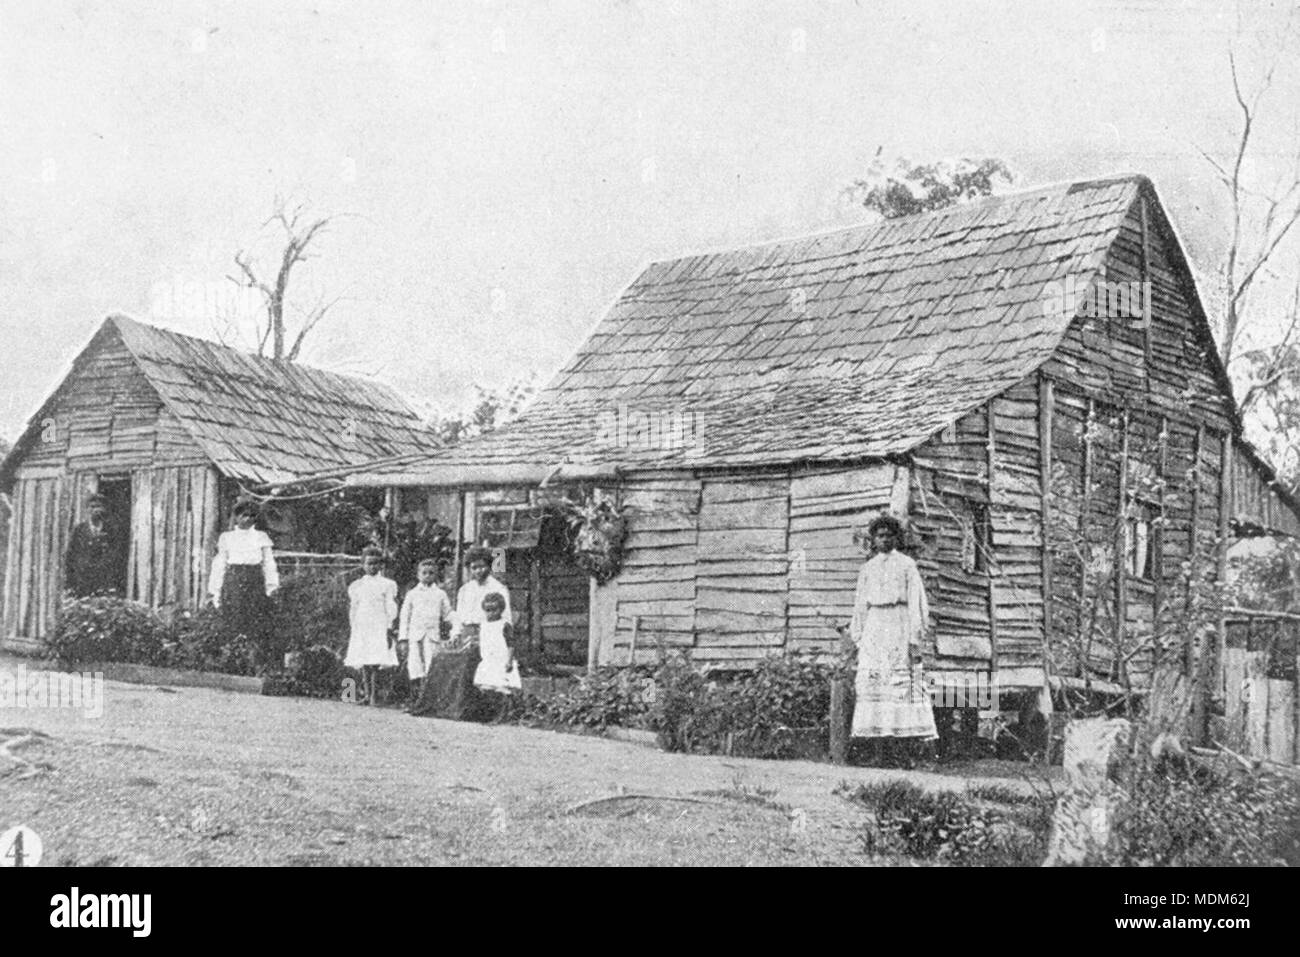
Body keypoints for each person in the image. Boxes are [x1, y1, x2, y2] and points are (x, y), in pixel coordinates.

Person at [847, 514, 938, 767]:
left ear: (896, 538)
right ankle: (878, 750)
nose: (884, 539)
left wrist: (913, 638)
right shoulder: (868, 568)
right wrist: (860, 637)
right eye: (879, 536)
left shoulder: (907, 565)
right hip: (875, 627)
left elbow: (917, 603)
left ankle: (902, 751)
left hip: (898, 623)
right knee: (876, 684)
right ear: (873, 540)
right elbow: (860, 605)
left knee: (901, 685)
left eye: (888, 535)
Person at [208, 501, 281, 673]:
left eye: (252, 516)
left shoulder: (261, 537)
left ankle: (254, 663)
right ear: (237, 517)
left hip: (254, 579)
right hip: (234, 579)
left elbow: (269, 563)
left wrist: (271, 587)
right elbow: (220, 563)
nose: (247, 519)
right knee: (233, 618)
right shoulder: (227, 537)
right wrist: (215, 591)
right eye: (244, 515)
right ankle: (232, 663)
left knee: (255, 618)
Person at [398, 558, 455, 710]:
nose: (428, 576)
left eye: (431, 573)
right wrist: (403, 638)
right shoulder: (412, 594)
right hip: (415, 635)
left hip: (432, 635)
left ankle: (429, 702)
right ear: (418, 575)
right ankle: (415, 700)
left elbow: (448, 613)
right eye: (424, 573)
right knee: (415, 666)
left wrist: (456, 625)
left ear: (436, 575)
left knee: (431, 666)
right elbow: (405, 616)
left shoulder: (440, 594)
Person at [345, 546, 399, 706]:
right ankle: (367, 695)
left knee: (375, 661)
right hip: (362, 625)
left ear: (381, 565)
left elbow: (391, 606)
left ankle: (375, 696)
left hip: (378, 625)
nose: (373, 567)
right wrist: (353, 625)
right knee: (364, 661)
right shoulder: (357, 585)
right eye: (369, 563)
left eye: (376, 563)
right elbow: (354, 607)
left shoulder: (387, 584)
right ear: (363, 564)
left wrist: (389, 626)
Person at [473, 591, 521, 720]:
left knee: (502, 687)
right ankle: (491, 714)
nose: (491, 613)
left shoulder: (504, 625)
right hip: (488, 661)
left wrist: (509, 661)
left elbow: (511, 644)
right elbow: (483, 640)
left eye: (494, 610)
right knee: (487, 687)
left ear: (501, 609)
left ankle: (506, 713)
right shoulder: (483, 624)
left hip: (501, 661)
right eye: (488, 610)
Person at [65, 493, 125, 597]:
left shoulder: (112, 530)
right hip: (82, 584)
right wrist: (70, 584)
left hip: (104, 583)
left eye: (99, 506)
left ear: (105, 509)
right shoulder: (79, 530)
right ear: (87, 510)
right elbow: (70, 557)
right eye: (92, 507)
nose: (96, 510)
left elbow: (117, 558)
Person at [451, 546, 512, 642]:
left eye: (482, 566)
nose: (478, 571)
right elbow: (458, 616)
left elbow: (506, 618)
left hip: (489, 634)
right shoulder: (465, 590)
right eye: (474, 568)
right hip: (466, 635)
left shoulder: (499, 588)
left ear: (489, 566)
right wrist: (455, 634)